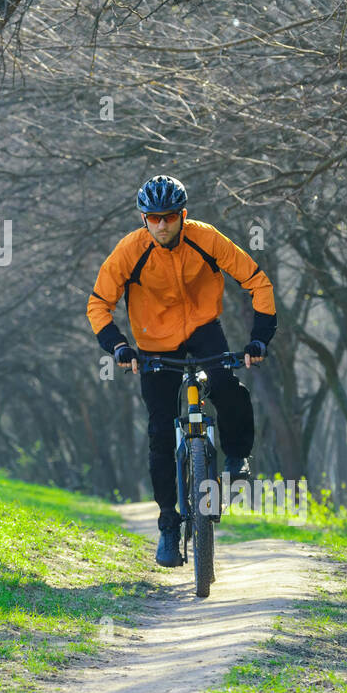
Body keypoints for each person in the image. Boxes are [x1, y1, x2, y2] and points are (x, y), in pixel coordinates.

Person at [87, 175, 277, 568]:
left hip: (204, 332)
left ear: (182, 215)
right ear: (143, 218)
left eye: (169, 217)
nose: (161, 225)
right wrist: (119, 347)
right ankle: (168, 524)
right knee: (159, 433)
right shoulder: (130, 250)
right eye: (153, 218)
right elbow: (98, 303)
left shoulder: (205, 238)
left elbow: (257, 281)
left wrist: (259, 339)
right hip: (153, 343)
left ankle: (237, 458)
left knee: (228, 387)